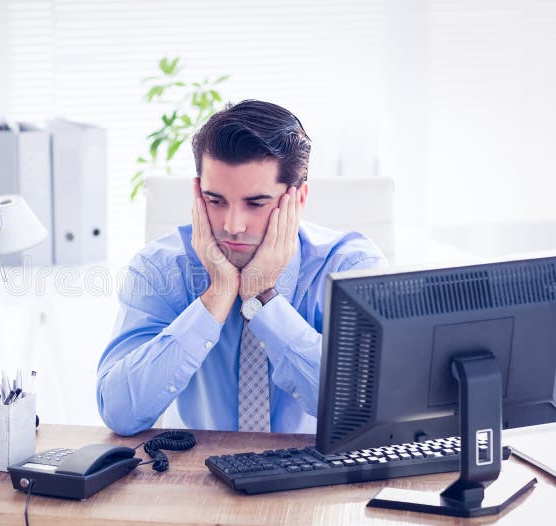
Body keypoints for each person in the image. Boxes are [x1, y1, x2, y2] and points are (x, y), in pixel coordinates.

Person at [97, 100, 387, 436]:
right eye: (215, 200)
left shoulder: (350, 265)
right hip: (196, 478)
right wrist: (216, 296)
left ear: (299, 198)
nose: (233, 225)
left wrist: (264, 298)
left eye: (255, 203)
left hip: (316, 480)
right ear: (196, 194)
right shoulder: (159, 268)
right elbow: (119, 413)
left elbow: (360, 409)